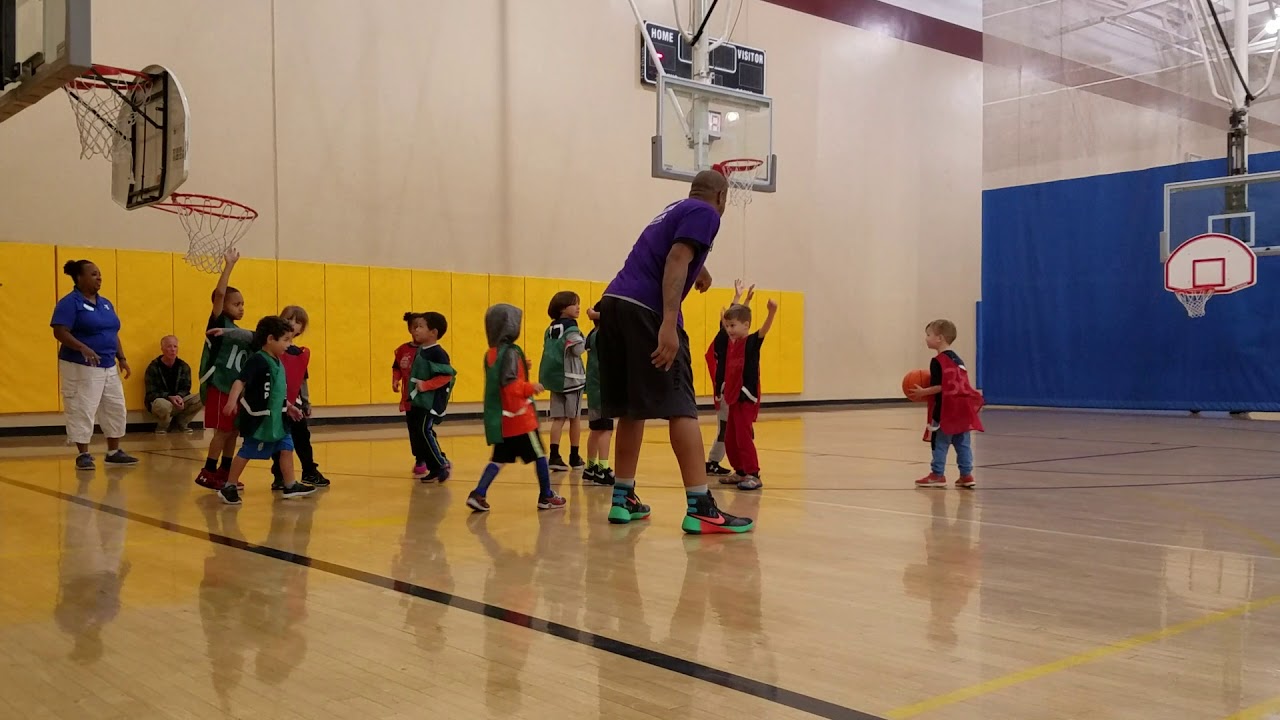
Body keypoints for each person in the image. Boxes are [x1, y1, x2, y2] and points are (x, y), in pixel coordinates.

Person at [596, 170, 753, 534]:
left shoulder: (673, 209)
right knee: (681, 406)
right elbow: (678, 257)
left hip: (613, 306)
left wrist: (702, 269)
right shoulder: (707, 213)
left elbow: (673, 252)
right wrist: (668, 323)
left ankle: (623, 498)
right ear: (722, 197)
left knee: (632, 409)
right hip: (647, 312)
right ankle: (700, 506)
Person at [465, 303, 566, 513]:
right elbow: (510, 385)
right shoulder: (510, 353)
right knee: (539, 455)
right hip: (520, 418)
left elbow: (502, 375)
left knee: (499, 459)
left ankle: (479, 493)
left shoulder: (492, 353)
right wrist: (531, 386)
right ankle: (546, 495)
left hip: (503, 420)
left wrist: (522, 366)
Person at [217, 316, 318, 505]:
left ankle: (290, 484)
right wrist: (232, 401)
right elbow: (240, 380)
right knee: (247, 451)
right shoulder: (257, 360)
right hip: (260, 419)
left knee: (287, 448)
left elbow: (276, 392)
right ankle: (229, 485)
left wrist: (289, 407)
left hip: (278, 418)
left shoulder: (278, 362)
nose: (289, 344)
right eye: (286, 340)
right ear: (271, 339)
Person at [50, 259, 138, 470]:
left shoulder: (106, 303)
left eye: (99, 274)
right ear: (79, 278)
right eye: (93, 274)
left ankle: (114, 451)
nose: (99, 277)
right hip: (81, 366)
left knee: (115, 407)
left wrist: (122, 358)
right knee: (83, 407)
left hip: (108, 365)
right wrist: (82, 347)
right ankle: (84, 454)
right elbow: (59, 331)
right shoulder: (70, 303)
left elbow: (112, 332)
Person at [195, 249, 249, 492]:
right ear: (223, 304)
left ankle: (225, 472)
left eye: (242, 304)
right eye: (236, 304)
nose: (241, 308)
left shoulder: (239, 331)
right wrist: (229, 266)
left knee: (233, 430)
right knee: (222, 430)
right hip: (218, 383)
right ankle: (207, 471)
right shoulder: (217, 323)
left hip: (234, 388)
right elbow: (218, 294)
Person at [909, 319, 984, 489]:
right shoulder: (958, 359)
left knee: (940, 442)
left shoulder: (937, 361)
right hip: (963, 409)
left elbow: (941, 386)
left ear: (939, 338)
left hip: (946, 410)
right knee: (962, 443)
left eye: (928, 335)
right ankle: (966, 475)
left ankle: (937, 474)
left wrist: (922, 392)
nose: (926, 338)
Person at [716, 298, 778, 490]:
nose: (730, 329)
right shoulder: (731, 345)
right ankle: (740, 471)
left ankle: (753, 473)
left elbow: (764, 330)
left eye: (733, 325)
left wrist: (772, 312)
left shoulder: (751, 342)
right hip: (733, 396)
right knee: (730, 437)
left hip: (746, 397)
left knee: (743, 435)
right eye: (727, 326)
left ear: (746, 325)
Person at [270, 305, 330, 488]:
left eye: (298, 322)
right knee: (278, 440)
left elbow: (302, 379)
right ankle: (279, 475)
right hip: (277, 404)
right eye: (289, 319)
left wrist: (306, 402)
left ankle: (309, 471)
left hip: (295, 405)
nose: (292, 324)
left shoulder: (301, 353)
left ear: (302, 328)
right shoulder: (273, 349)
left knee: (302, 438)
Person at [705, 279, 753, 477]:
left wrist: (744, 299)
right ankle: (714, 461)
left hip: (732, 391)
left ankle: (731, 462)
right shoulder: (724, 340)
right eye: (727, 326)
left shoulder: (732, 340)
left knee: (736, 429)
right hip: (726, 391)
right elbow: (733, 320)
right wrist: (738, 298)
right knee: (726, 429)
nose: (731, 328)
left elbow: (738, 318)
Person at [539, 291, 586, 471]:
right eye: (574, 304)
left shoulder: (549, 329)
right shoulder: (572, 328)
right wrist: (586, 341)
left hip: (555, 378)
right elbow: (577, 350)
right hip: (572, 379)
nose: (578, 307)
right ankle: (574, 456)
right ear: (562, 308)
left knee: (558, 419)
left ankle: (554, 455)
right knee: (575, 418)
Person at [407, 311, 456, 483]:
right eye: (415, 327)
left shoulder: (438, 353)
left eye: (420, 326)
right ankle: (434, 466)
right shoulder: (421, 350)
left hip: (430, 402)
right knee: (419, 433)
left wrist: (426, 385)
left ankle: (441, 464)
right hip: (418, 401)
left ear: (433, 332)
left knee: (424, 431)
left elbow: (446, 376)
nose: (415, 330)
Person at [581, 303, 615, 486]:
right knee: (606, 429)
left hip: (594, 389)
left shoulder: (592, 335)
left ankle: (590, 467)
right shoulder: (604, 336)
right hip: (603, 389)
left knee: (595, 429)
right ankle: (603, 469)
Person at [144, 335, 202, 433]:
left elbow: (186, 388)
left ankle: (182, 422)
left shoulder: (183, 366)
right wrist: (169, 397)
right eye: (169, 346)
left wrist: (179, 396)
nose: (172, 350)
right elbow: (151, 393)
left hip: (179, 401)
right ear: (162, 349)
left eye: (175, 346)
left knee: (202, 397)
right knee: (163, 405)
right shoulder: (153, 367)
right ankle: (163, 425)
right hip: (162, 402)